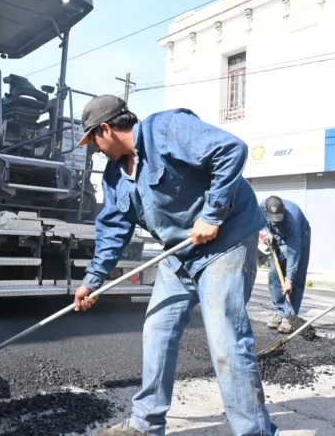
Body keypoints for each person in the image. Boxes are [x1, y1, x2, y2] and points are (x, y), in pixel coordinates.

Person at [73, 95, 278, 436]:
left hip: (224, 242)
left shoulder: (166, 129)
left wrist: (212, 214)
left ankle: (254, 432)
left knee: (226, 339)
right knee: (157, 330)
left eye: (93, 139)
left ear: (106, 129)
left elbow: (232, 150)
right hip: (180, 252)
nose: (94, 149)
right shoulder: (114, 175)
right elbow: (112, 228)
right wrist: (92, 280)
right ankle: (145, 423)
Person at [259, 196, 311, 334]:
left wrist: (289, 279)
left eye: (279, 216)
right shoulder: (261, 206)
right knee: (274, 275)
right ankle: (280, 311)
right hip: (276, 237)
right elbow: (260, 222)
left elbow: (293, 252)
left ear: (284, 209)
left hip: (300, 235)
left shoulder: (292, 217)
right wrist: (267, 233)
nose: (276, 219)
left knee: (295, 278)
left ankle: (290, 316)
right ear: (266, 209)